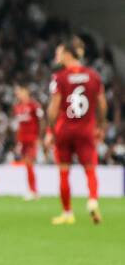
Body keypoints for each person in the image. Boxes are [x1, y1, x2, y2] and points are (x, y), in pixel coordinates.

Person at [47, 37, 105, 225]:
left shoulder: (60, 77)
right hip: (86, 129)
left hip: (65, 129)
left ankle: (67, 213)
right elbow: (103, 105)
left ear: (67, 54)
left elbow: (53, 109)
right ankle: (93, 199)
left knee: (64, 171)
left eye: (60, 53)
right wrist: (101, 126)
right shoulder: (94, 76)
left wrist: (50, 131)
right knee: (90, 169)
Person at [12, 85, 41, 200]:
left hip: (32, 138)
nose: (18, 95)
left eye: (20, 93)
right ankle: (32, 190)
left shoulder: (34, 106)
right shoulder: (17, 107)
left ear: (26, 93)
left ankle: (33, 191)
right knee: (27, 165)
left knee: (29, 164)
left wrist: (40, 137)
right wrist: (18, 141)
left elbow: (41, 121)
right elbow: (19, 126)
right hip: (22, 140)